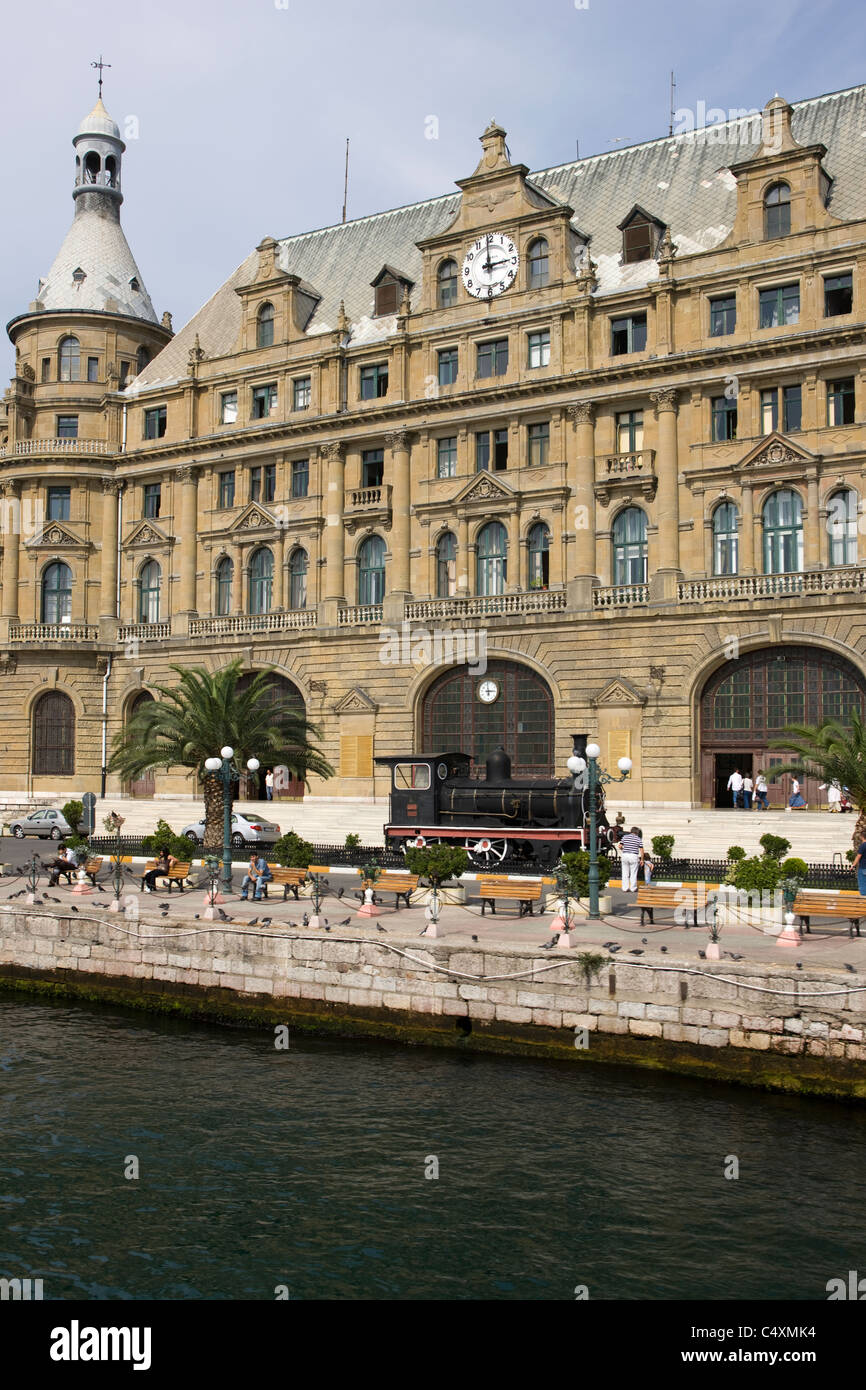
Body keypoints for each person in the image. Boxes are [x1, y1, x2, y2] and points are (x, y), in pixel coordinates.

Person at [619, 826, 643, 893]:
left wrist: (624, 850)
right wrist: (642, 859)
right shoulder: (638, 839)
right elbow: (641, 849)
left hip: (625, 855)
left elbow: (620, 846)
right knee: (633, 873)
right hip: (633, 855)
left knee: (625, 872)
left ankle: (625, 888)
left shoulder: (625, 837)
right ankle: (633, 888)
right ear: (637, 832)